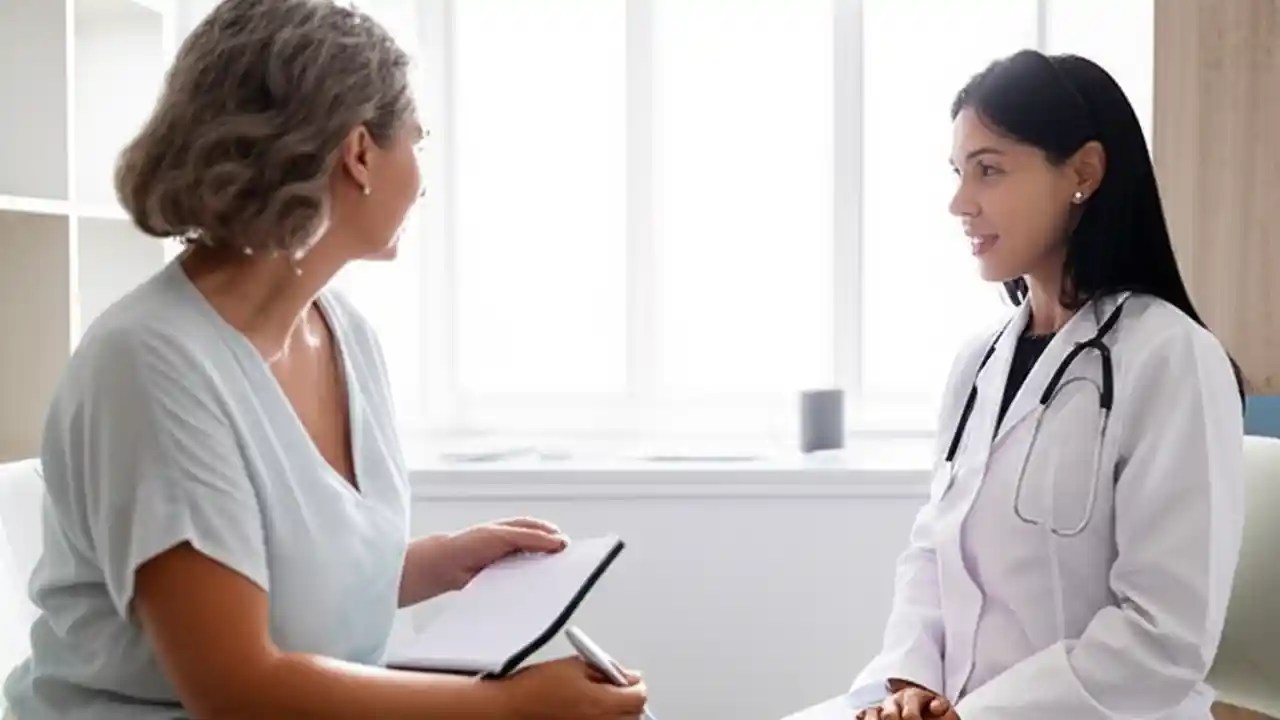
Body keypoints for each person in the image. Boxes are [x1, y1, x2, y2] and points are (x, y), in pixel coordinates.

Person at [0, 1, 646, 718]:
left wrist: (436, 563)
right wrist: (511, 709)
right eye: (417, 141)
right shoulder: (150, 366)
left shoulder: (344, 333)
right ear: (359, 153)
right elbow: (236, 688)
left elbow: (280, 592)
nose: (422, 178)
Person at [851, 50, 1245, 720]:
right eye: (958, 172)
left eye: (989, 170)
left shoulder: (1171, 358)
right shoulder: (978, 363)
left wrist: (972, 716)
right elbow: (932, 554)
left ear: (1083, 173)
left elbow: (1164, 637)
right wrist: (908, 685)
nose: (960, 202)